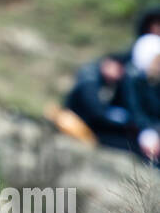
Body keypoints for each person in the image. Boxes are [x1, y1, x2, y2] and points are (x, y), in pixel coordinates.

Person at [63, 54, 140, 153]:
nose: (119, 74)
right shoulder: (90, 80)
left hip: (93, 125)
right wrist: (124, 124)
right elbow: (96, 113)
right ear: (107, 64)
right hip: (81, 125)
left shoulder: (110, 84)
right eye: (117, 69)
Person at [119, 33, 160, 164]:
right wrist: (149, 132)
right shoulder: (132, 79)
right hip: (137, 131)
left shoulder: (154, 81)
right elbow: (135, 111)